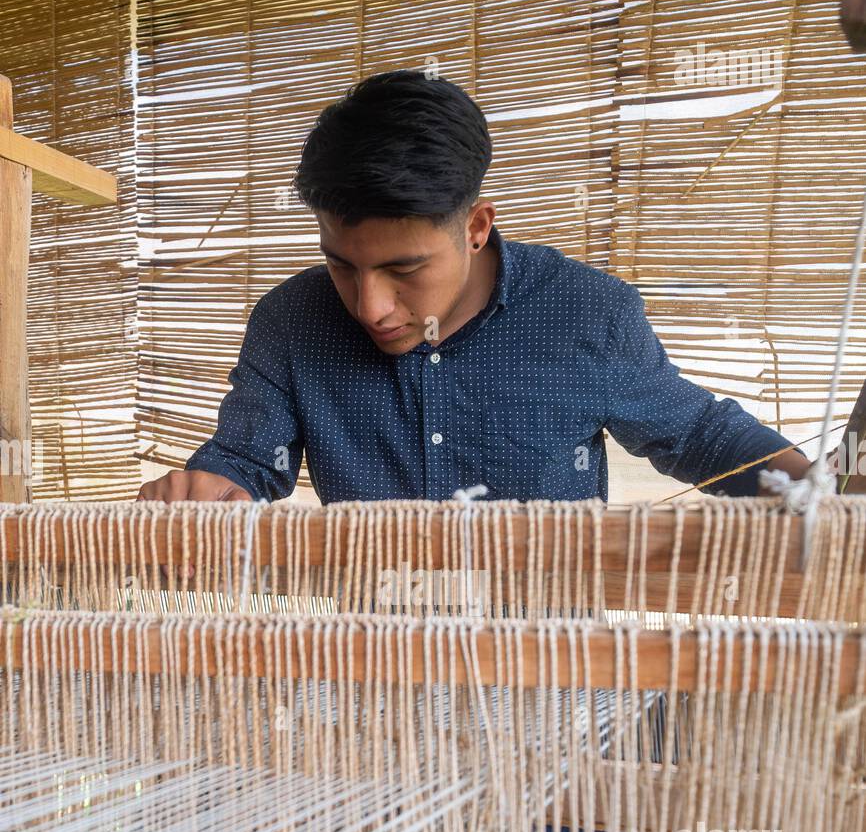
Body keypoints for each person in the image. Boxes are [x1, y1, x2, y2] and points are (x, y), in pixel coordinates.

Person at [137, 70, 809, 506]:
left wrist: (819, 498)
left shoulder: (587, 313)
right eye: (342, 264)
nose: (370, 307)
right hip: (374, 675)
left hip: (552, 681)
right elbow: (248, 462)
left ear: (477, 227)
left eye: (403, 270)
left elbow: (700, 436)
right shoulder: (291, 322)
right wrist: (208, 492)